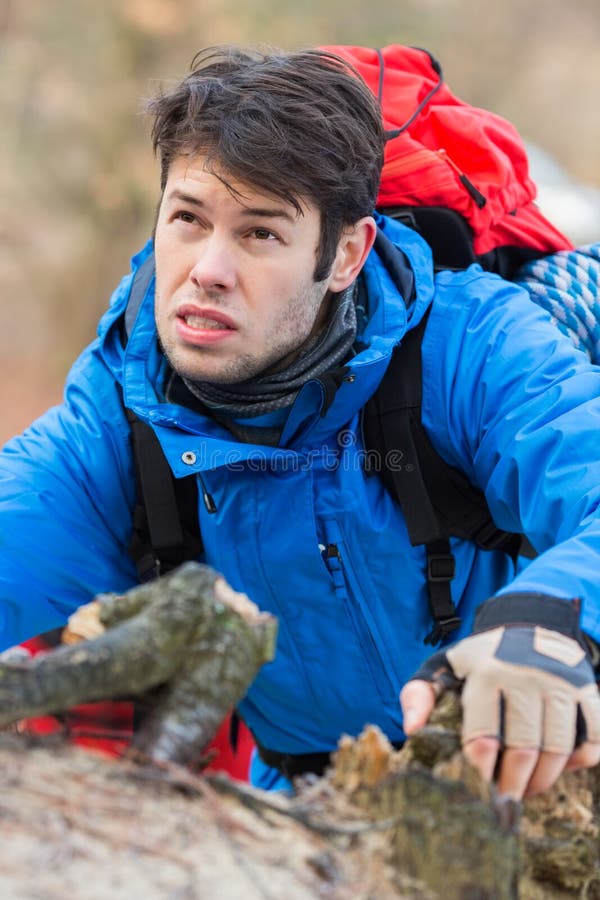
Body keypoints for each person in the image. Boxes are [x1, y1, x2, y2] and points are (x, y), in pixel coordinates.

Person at [2, 44, 600, 799]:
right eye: (188, 218)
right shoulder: (121, 414)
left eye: (260, 233)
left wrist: (548, 621)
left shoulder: (467, 348)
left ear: (347, 253)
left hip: (534, 777)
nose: (208, 269)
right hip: (305, 812)